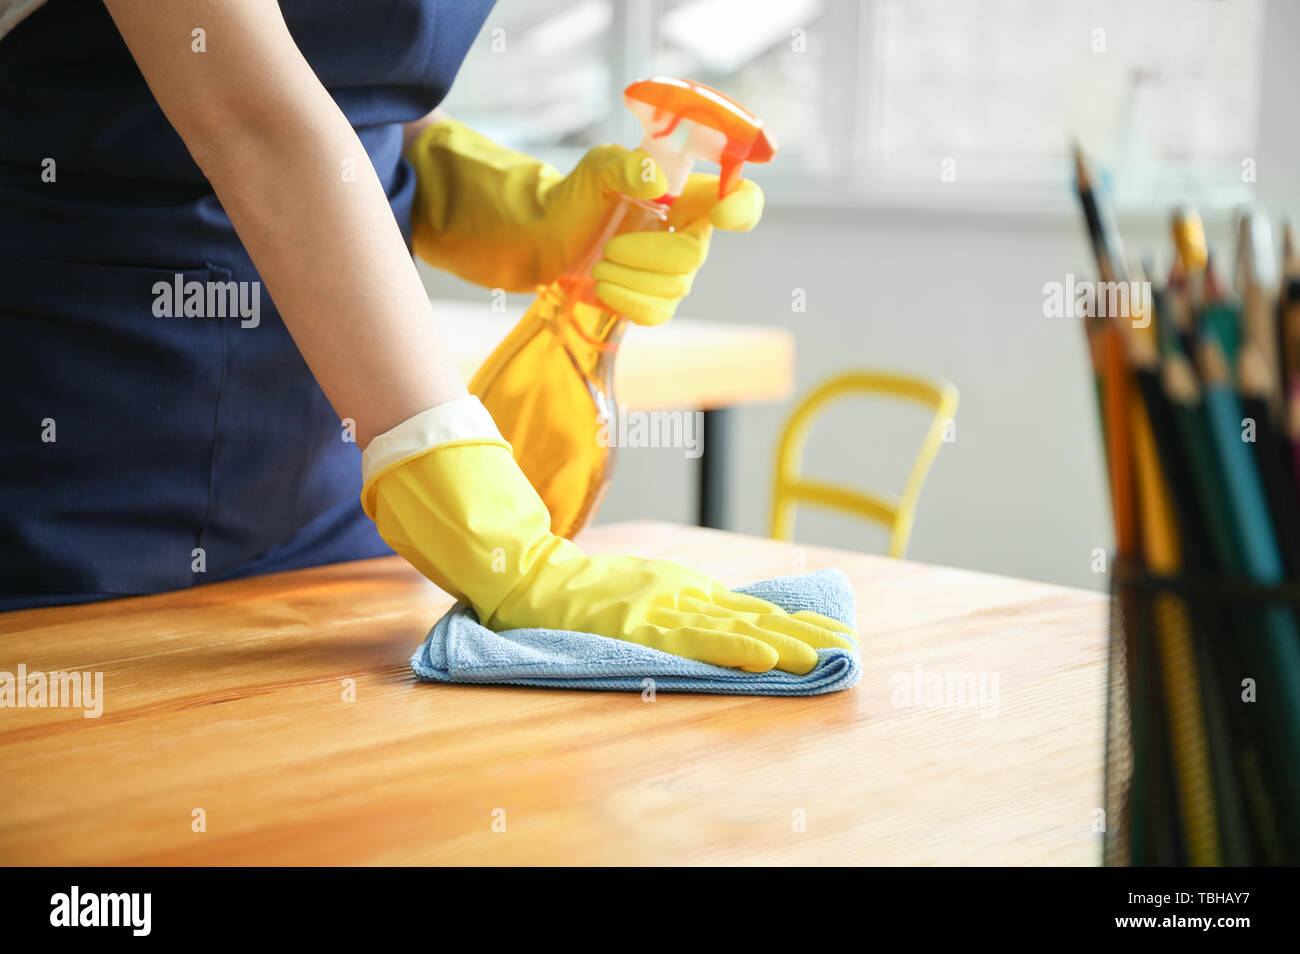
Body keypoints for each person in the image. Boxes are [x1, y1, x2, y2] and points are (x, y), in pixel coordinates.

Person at [0, 0, 854, 673]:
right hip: (67, 481)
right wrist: (490, 530)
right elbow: (245, 117)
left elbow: (364, 103)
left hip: (325, 515)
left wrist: (524, 211)